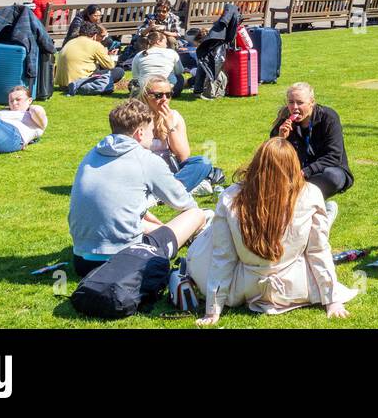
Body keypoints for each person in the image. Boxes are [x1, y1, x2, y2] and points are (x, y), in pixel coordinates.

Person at [189, 138, 356, 325]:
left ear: (257, 163)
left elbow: (223, 256)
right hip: (294, 286)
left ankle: (207, 223)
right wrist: (332, 300)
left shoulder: (230, 196)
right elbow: (318, 250)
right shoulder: (310, 194)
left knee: (207, 240)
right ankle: (327, 216)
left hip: (244, 286)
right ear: (294, 166)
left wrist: (213, 309)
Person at [68, 97, 208, 279]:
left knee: (137, 219)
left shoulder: (91, 155)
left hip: (82, 262)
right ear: (140, 133)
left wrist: (161, 227)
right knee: (197, 215)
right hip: (128, 261)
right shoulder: (145, 159)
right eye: (151, 131)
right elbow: (183, 202)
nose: (154, 136)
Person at [269, 83, 353, 208]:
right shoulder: (285, 119)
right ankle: (309, 203)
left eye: (300, 102)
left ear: (312, 102)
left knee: (333, 177)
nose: (295, 107)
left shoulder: (328, 117)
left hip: (324, 171)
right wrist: (280, 138)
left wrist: (305, 172)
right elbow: (271, 156)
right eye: (291, 102)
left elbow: (334, 156)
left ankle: (303, 199)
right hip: (295, 173)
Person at [140, 75, 215, 193]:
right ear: (146, 96)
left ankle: (164, 193)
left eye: (168, 94)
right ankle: (176, 191)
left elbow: (183, 156)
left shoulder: (174, 116)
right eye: (158, 95)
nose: (164, 99)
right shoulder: (135, 118)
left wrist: (170, 127)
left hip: (170, 171)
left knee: (203, 162)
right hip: (145, 169)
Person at [56, 21, 125, 94]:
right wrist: (112, 56)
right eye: (102, 36)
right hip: (79, 82)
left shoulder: (70, 42)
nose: (104, 39)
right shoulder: (95, 45)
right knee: (119, 71)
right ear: (95, 35)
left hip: (62, 84)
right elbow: (110, 66)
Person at [130, 31, 187, 97]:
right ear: (158, 42)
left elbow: (135, 76)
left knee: (134, 83)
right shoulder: (172, 52)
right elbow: (179, 71)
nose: (166, 45)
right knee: (179, 77)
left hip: (145, 90)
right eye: (165, 43)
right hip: (169, 90)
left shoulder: (139, 55)